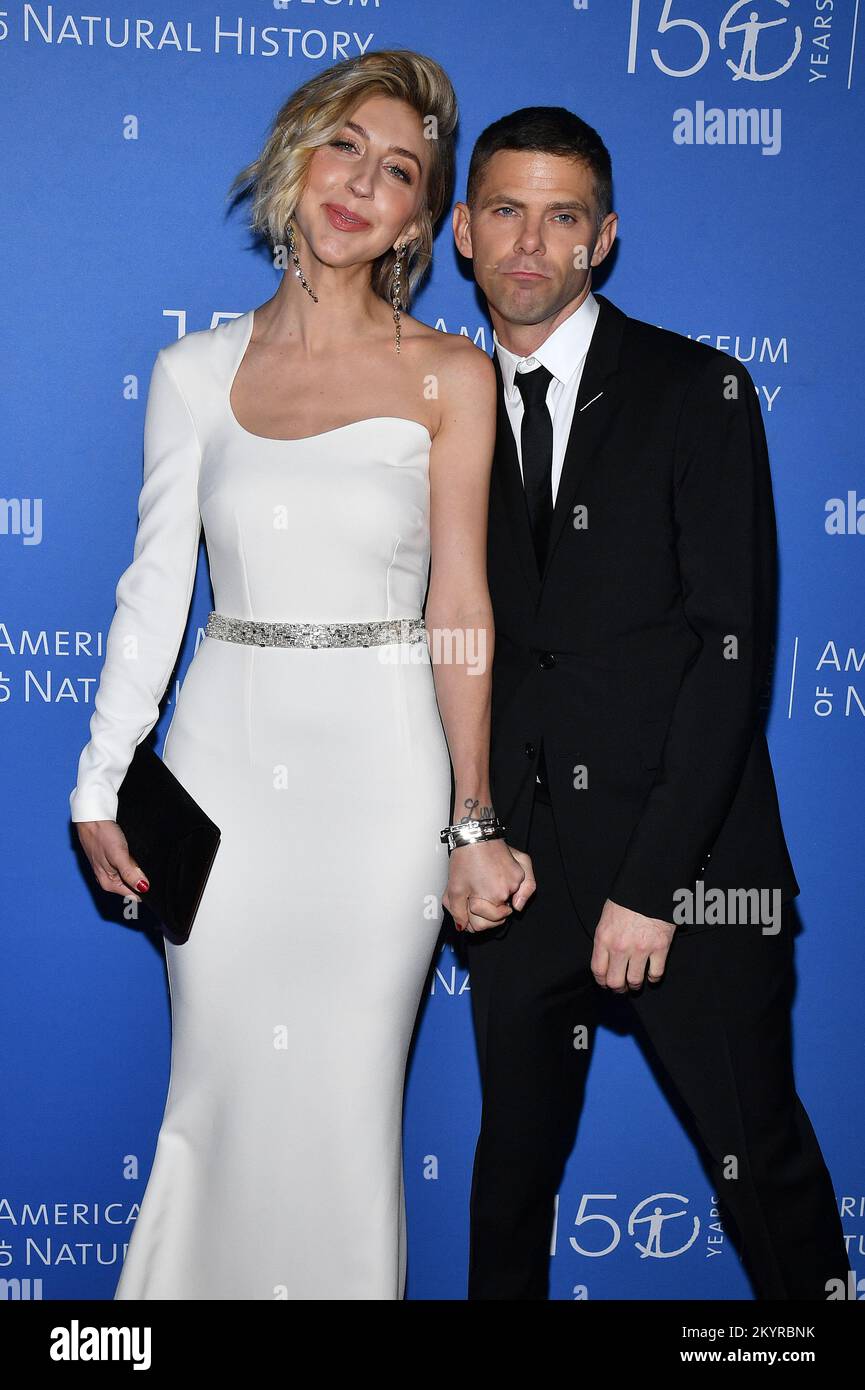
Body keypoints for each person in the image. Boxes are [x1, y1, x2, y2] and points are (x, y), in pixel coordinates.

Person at [70, 51, 530, 1301]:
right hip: (223, 773)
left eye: (397, 172)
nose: (360, 183)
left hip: (383, 778)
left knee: (341, 1102)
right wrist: (98, 781)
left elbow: (459, 606)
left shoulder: (452, 376)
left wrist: (470, 819)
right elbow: (155, 588)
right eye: (344, 147)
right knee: (217, 1083)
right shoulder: (191, 374)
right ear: (294, 158)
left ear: (418, 222)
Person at [452, 105, 851, 1300]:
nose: (531, 243)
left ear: (603, 238)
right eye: (507, 212)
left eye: (562, 216)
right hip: (517, 873)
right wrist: (470, 829)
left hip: (691, 869)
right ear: (462, 232)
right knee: (507, 1183)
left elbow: (731, 654)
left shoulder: (698, 391)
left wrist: (649, 887)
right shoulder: (439, 408)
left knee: (761, 1170)